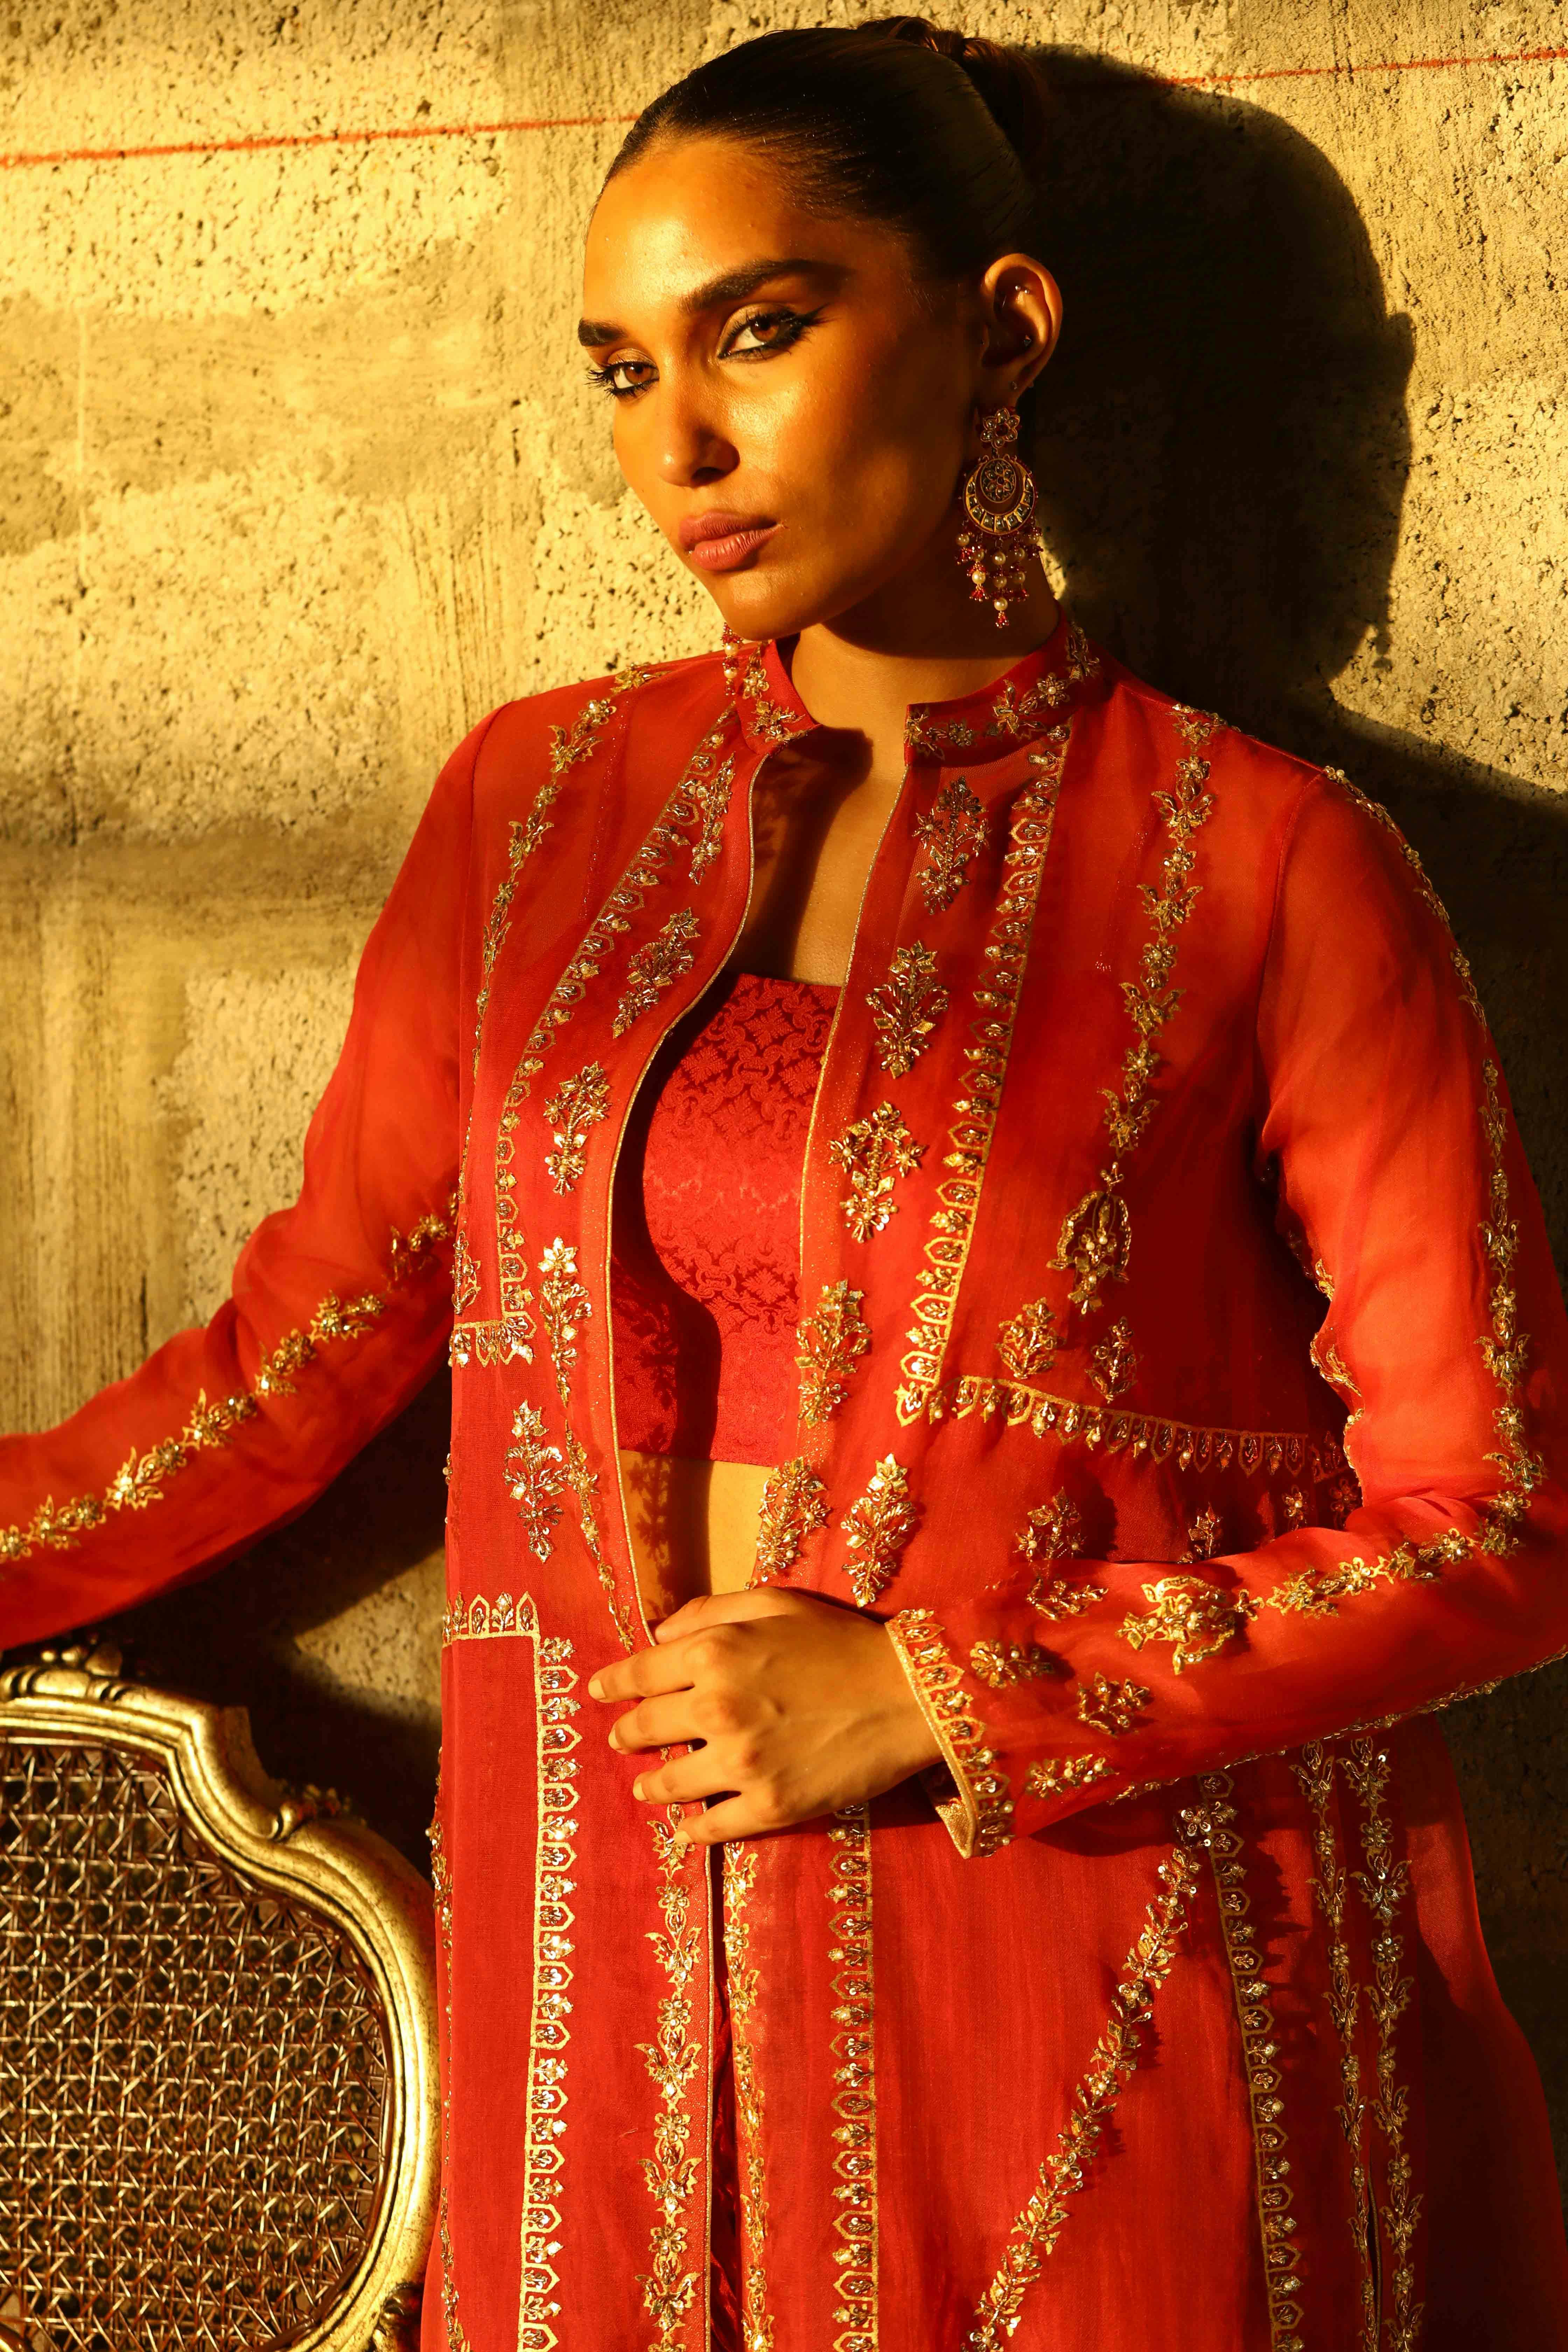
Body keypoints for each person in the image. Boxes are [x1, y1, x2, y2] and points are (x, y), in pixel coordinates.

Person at [3, 18, 1567, 2348]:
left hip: (1082, 1977)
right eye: (623, 371)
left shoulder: (1265, 866)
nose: (684, 445)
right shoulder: (539, 815)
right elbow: (303, 1350)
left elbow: (1499, 1516)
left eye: (761, 330)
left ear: (999, 331)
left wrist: (945, 1692)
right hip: (609, 2004)